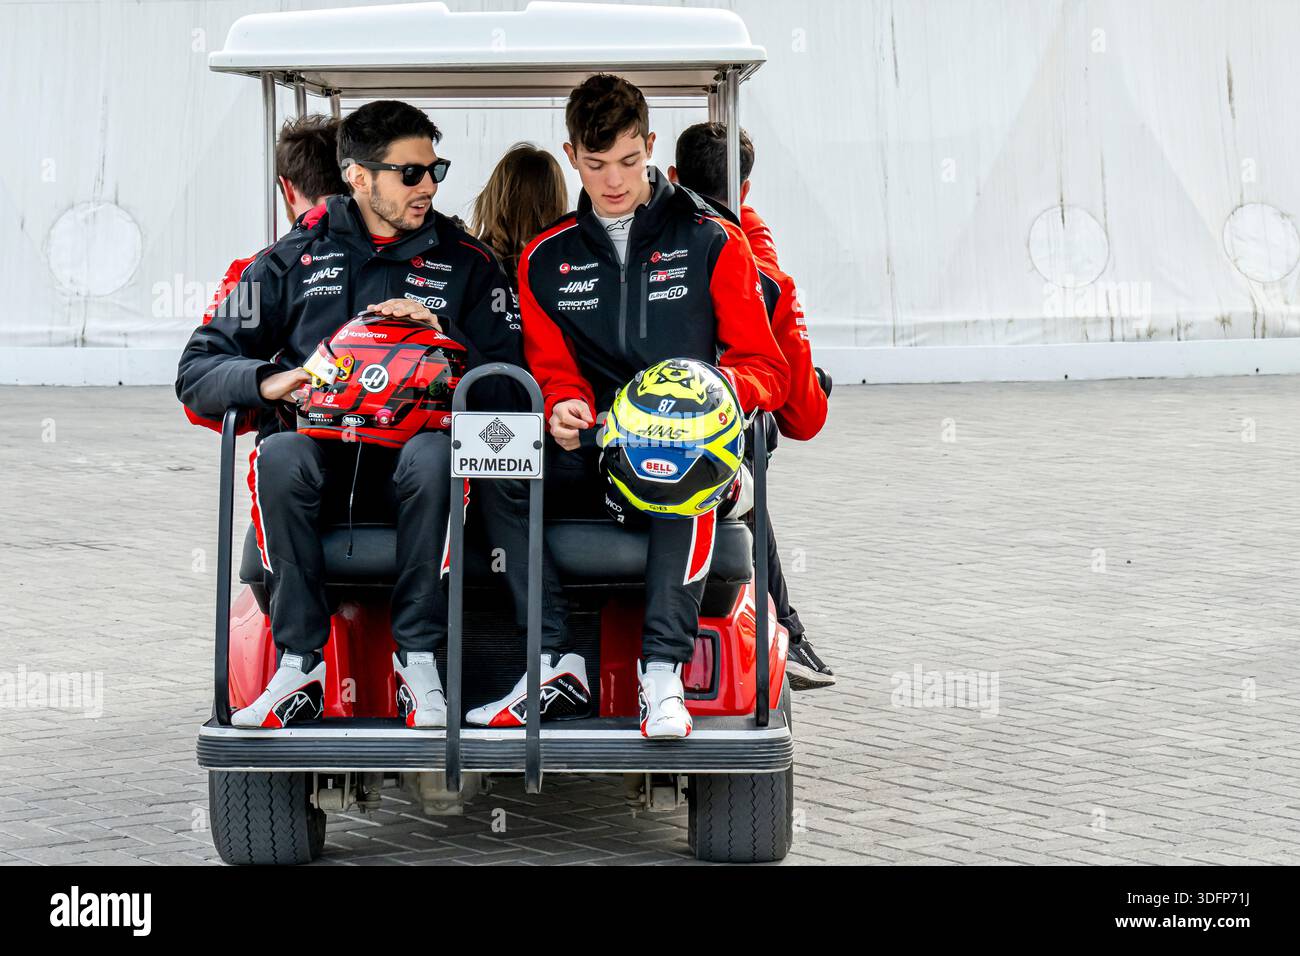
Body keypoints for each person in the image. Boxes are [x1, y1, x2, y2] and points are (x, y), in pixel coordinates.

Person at [176, 100, 522, 729]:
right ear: (359, 177)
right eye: (410, 173)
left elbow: (515, 383)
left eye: (435, 170)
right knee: (278, 453)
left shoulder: (467, 264)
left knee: (434, 453)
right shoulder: (291, 258)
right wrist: (270, 380)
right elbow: (196, 370)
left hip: (424, 483)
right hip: (324, 479)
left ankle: (418, 660)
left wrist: (445, 341)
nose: (429, 186)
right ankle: (299, 664)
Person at [468, 74, 790, 738]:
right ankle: (554, 660)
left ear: (648, 145)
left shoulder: (712, 240)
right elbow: (555, 375)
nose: (613, 181)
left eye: (626, 161)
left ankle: (662, 676)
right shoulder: (543, 259)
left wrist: (718, 395)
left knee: (687, 458)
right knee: (493, 455)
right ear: (571, 155)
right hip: (596, 449)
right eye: (594, 165)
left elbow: (765, 369)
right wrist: (561, 408)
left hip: (690, 443)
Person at [669, 122, 836, 690]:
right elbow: (806, 415)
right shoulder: (762, 271)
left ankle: (784, 627)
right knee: (737, 470)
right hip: (707, 447)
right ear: (744, 190)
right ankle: (783, 629)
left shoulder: (594, 250)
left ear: (669, 177)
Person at [185, 114, 347, 434]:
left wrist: (266, 382)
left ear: (287, 188)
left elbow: (204, 404)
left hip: (290, 454)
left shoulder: (258, 270)